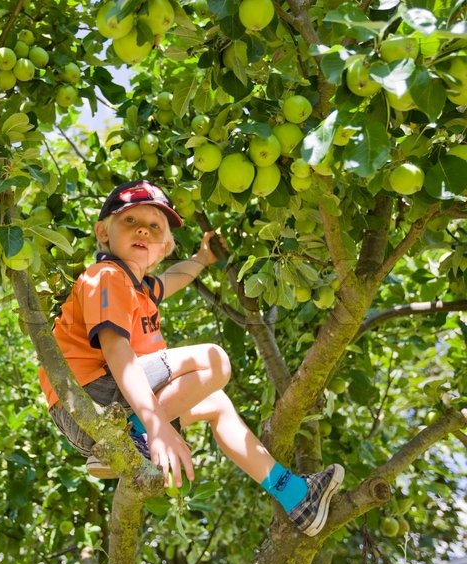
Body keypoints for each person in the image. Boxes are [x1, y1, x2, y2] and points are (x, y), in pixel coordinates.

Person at [38, 180, 344, 537]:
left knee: (216, 402)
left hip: (103, 408)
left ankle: (296, 496)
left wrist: (202, 258)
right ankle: (133, 437)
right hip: (88, 401)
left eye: (155, 227)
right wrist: (156, 427)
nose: (142, 229)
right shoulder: (107, 276)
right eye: (130, 220)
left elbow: (169, 281)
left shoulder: (141, 287)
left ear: (164, 247)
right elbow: (116, 350)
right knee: (213, 360)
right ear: (103, 233)